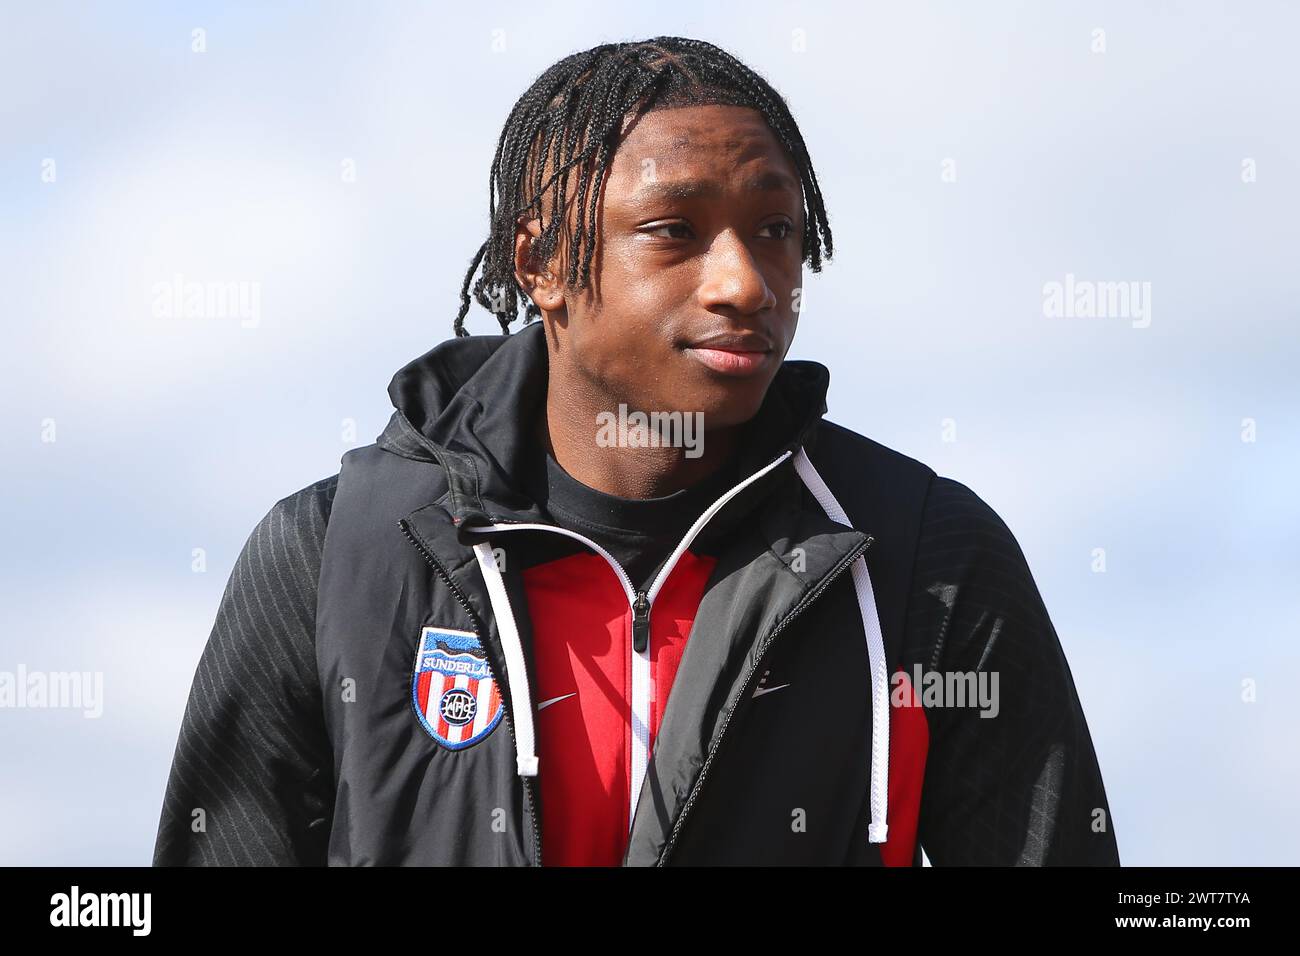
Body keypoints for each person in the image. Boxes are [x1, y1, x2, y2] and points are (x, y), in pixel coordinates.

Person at [153, 36, 1119, 866]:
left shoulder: (925, 558)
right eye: (675, 231)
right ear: (539, 264)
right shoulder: (333, 558)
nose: (746, 280)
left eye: (775, 230)